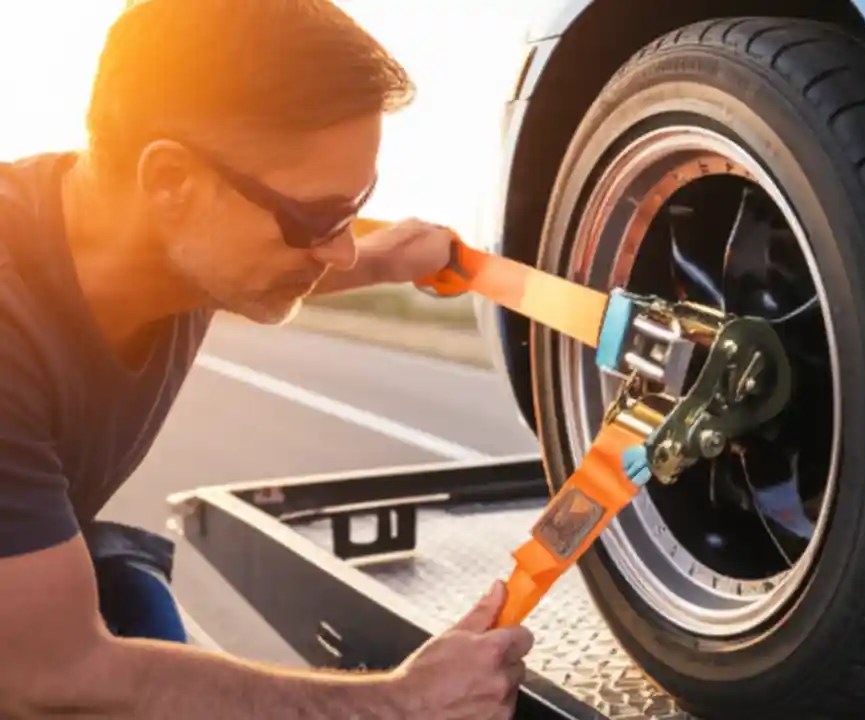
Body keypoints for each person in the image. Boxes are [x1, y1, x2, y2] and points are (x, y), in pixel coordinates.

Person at [0, 0, 534, 717]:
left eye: (357, 208)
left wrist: (386, 259)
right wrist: (396, 702)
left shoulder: (143, 233)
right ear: (170, 182)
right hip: (32, 661)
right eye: (317, 219)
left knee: (129, 595)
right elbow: (51, 678)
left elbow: (275, 253)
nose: (338, 247)